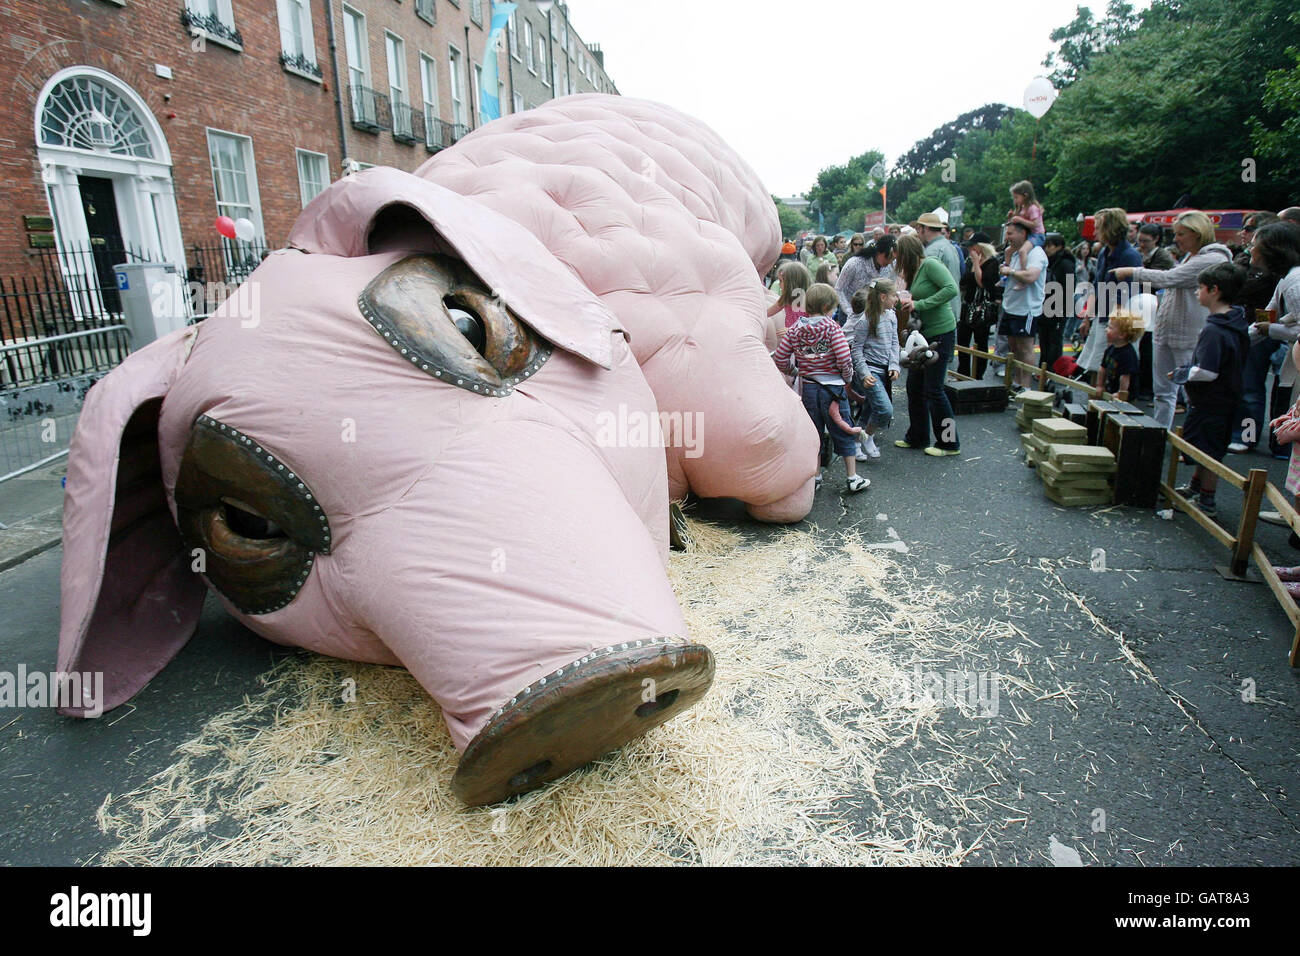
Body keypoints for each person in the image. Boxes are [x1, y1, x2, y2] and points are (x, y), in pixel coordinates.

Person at [1115, 211, 1234, 428]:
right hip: (1168, 332)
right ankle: (1158, 435)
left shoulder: (1213, 259)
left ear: (1198, 234)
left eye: (1181, 234)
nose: (1176, 239)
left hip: (1188, 334)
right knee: (1163, 392)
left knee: (1192, 393)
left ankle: (1193, 444)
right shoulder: (1192, 257)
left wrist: (1133, 271)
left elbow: (1171, 279)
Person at [1168, 262, 1250, 517]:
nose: (1196, 292)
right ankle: (1196, 487)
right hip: (1225, 398)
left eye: (1199, 288)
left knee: (1209, 452)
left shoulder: (1214, 330)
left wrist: (1181, 373)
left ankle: (1207, 501)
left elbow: (1207, 371)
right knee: (1207, 446)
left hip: (1211, 400)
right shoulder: (1235, 320)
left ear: (1214, 290)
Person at [771, 283, 870, 493]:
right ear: (827, 306)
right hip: (833, 389)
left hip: (808, 388)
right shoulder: (832, 327)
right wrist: (847, 377)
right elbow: (844, 357)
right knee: (842, 428)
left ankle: (815, 476)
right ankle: (852, 477)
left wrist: (796, 372)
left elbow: (780, 357)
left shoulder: (796, 328)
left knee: (813, 432)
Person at [1229, 221, 1297, 453]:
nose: (1250, 249)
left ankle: (1277, 446)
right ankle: (1253, 439)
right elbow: (1266, 317)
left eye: (1255, 244)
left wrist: (1271, 330)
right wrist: (1237, 340)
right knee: (1251, 388)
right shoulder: (1284, 278)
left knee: (1255, 390)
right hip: (1279, 345)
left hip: (1292, 352)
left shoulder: (1293, 282)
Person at [893, 234, 960, 456]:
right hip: (923, 334)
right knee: (914, 387)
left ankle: (949, 443)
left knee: (934, 390)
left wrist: (920, 303)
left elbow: (951, 289)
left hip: (941, 332)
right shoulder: (915, 271)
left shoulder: (930, 264)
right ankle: (917, 436)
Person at [1078, 208, 1143, 378]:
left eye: (1098, 227)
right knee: (1096, 365)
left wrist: (1115, 327)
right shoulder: (1104, 252)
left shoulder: (1129, 256)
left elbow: (1126, 293)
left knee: (1115, 370)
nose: (1094, 231)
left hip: (1119, 322)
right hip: (1104, 317)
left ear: (1110, 228)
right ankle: (1092, 402)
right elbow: (1097, 285)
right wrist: (1087, 317)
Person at [843, 281, 899, 460]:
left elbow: (894, 343)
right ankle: (868, 435)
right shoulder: (865, 321)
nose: (896, 299)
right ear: (883, 297)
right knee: (884, 409)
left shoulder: (891, 316)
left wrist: (894, 365)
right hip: (870, 371)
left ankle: (856, 441)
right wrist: (864, 374)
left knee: (870, 407)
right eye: (893, 295)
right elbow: (856, 350)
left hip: (884, 371)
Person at [998, 218, 1049, 388]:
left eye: (1011, 233)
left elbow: (1031, 276)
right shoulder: (1014, 253)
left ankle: (1025, 386)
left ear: (1023, 233)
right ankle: (1016, 382)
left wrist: (1011, 271)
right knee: (1013, 347)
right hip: (1010, 307)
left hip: (1026, 309)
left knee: (1025, 347)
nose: (1008, 237)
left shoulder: (1036, 253)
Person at [958, 240, 1002, 379]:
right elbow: (963, 281)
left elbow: (983, 283)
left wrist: (976, 263)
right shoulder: (970, 261)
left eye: (973, 247)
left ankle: (978, 376)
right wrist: (973, 264)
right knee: (963, 342)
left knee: (981, 343)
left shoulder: (992, 263)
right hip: (967, 306)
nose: (971, 250)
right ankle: (963, 373)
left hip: (982, 308)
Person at [918, 212, 961, 327]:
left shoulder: (932, 251)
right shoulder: (950, 246)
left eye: (918, 229)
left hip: (939, 316)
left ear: (925, 229)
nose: (918, 234)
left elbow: (948, 288)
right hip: (950, 311)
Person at [1040, 232, 1074, 377]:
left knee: (1054, 339)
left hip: (1058, 306)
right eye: (1045, 246)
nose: (1047, 249)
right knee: (1043, 338)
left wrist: (1062, 308)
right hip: (1045, 303)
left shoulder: (1066, 263)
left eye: (1050, 246)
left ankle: (1053, 369)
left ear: (1059, 246)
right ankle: (1043, 367)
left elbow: (1069, 287)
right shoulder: (1049, 261)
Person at [836, 234, 896, 316]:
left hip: (874, 314)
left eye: (893, 259)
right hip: (850, 313)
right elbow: (839, 289)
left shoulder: (890, 266)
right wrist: (849, 311)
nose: (890, 262)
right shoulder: (854, 264)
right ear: (879, 252)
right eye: (888, 257)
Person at [1097, 310, 1142, 399]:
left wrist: (1121, 393)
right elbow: (1102, 368)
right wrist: (1100, 385)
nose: (1106, 330)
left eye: (1110, 328)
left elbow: (1125, 377)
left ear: (1122, 335)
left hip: (1126, 393)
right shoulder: (1111, 348)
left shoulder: (1127, 354)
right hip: (1112, 388)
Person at [766, 260, 812, 344]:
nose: (779, 285)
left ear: (791, 283)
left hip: (806, 340)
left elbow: (814, 322)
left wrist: (793, 329)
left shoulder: (809, 300)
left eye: (781, 281)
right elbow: (769, 311)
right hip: (791, 338)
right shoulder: (786, 298)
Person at [1006, 180, 1046, 247]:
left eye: (1016, 197)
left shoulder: (1032, 208)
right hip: (1027, 234)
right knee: (1008, 251)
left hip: (1037, 235)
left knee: (1022, 251)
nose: (1014, 200)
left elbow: (1035, 224)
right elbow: (1017, 224)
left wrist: (1020, 220)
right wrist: (1011, 217)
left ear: (1025, 196)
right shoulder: (1022, 208)